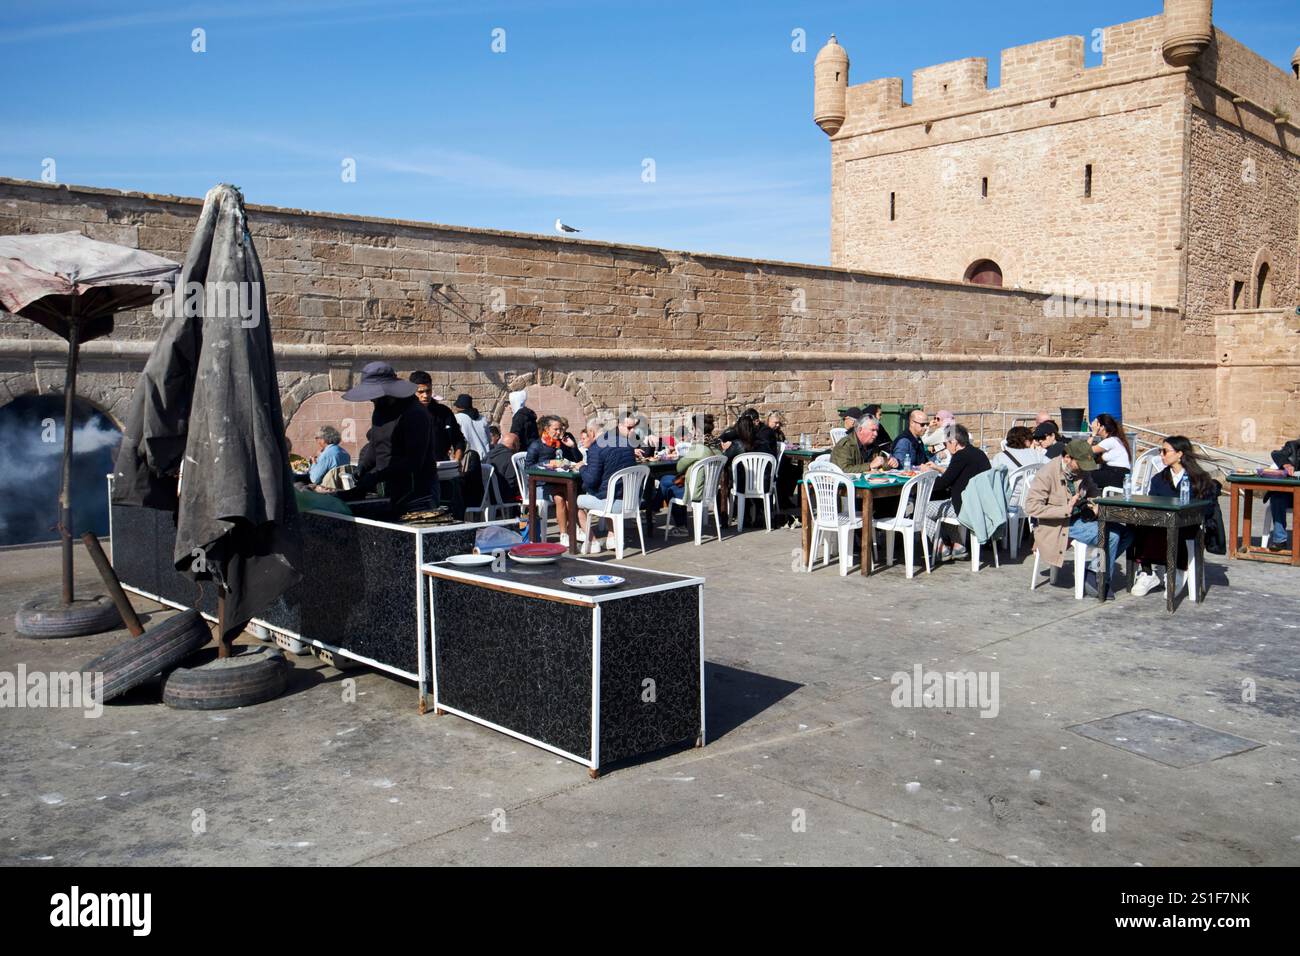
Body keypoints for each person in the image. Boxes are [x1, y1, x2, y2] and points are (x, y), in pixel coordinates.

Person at [1024, 437, 1133, 598]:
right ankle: (1100, 579)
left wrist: (1094, 503)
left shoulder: (1080, 471)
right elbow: (1032, 507)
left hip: (1079, 519)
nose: (1083, 469)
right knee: (1111, 536)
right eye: (1080, 465)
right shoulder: (1046, 474)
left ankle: (1094, 569)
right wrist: (1066, 509)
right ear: (1067, 457)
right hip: (1059, 524)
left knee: (1128, 534)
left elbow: (1093, 490)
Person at [336, 362, 436, 517]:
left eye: (374, 396)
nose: (372, 400)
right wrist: (363, 467)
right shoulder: (381, 410)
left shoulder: (415, 414)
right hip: (389, 487)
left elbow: (414, 462)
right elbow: (376, 445)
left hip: (416, 492)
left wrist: (376, 476)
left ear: (388, 392)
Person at [1131, 437, 1219, 597]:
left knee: (1177, 528)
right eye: (1160, 451)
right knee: (1139, 525)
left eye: (1165, 451)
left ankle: (1178, 571)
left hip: (1190, 525)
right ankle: (1147, 572)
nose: (1161, 455)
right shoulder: (1158, 479)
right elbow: (1152, 502)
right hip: (1162, 523)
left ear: (1179, 454)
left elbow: (1208, 507)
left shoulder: (1199, 479)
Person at [924, 423, 992, 558]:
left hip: (965, 507)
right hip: (981, 505)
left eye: (946, 444)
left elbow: (943, 483)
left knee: (922, 510)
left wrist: (922, 481)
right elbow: (958, 475)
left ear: (954, 442)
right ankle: (958, 546)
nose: (946, 447)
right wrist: (938, 469)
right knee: (945, 507)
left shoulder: (960, 456)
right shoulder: (978, 453)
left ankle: (940, 546)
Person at [579, 415, 639, 551]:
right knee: (607, 491)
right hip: (631, 500)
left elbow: (591, 480)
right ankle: (612, 538)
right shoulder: (626, 443)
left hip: (612, 502)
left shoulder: (596, 448)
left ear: (592, 432)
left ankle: (592, 543)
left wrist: (582, 467)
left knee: (574, 501)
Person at [524, 415, 583, 545]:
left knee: (571, 494)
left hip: (559, 482)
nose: (559, 432)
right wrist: (546, 463)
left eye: (560, 429)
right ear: (547, 429)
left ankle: (574, 528)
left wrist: (572, 446)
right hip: (540, 485)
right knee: (560, 498)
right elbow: (528, 466)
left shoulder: (562, 443)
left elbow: (578, 460)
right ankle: (564, 534)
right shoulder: (537, 445)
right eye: (555, 429)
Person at [659, 436, 716, 536]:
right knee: (665, 480)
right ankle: (653, 510)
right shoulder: (716, 451)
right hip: (708, 490)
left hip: (695, 491)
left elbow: (679, 467)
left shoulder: (698, 449)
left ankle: (681, 526)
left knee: (669, 489)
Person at [1265, 434, 1299, 551]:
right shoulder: (1293, 446)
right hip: (1291, 494)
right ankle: (1280, 540)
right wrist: (1286, 464)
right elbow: (1276, 454)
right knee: (1277, 498)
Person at [831, 415, 897, 474]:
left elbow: (880, 463)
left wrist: (890, 463)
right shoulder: (846, 445)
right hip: (845, 485)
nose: (876, 434)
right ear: (860, 430)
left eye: (877, 430)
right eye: (873, 430)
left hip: (868, 484)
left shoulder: (873, 445)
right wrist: (869, 465)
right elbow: (844, 469)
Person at [485, 431, 522, 505]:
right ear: (514, 445)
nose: (519, 446)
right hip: (504, 499)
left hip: (487, 497)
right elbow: (512, 483)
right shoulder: (511, 458)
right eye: (518, 444)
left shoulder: (488, 455)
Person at [453, 393, 492, 459]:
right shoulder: (483, 418)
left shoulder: (457, 418)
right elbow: (489, 439)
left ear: (459, 407)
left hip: (468, 459)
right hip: (485, 457)